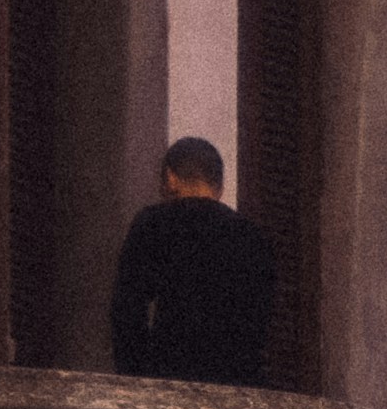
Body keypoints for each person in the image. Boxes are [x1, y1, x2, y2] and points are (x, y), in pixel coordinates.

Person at [104, 137, 280, 387]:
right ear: (218, 186)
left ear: (171, 177)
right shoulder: (253, 236)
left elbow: (128, 311)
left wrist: (137, 380)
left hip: (169, 377)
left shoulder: (153, 224)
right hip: (238, 384)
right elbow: (260, 321)